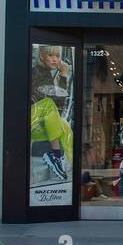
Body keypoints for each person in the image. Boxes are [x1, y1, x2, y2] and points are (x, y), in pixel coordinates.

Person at [30, 45, 73, 184]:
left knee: (66, 127)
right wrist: (63, 76)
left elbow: (58, 103)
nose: (55, 59)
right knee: (49, 103)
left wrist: (62, 76)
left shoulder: (46, 72)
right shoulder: (37, 72)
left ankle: (67, 166)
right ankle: (55, 154)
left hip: (40, 121)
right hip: (31, 118)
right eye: (51, 55)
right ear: (41, 56)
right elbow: (54, 101)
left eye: (57, 56)